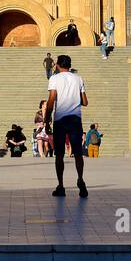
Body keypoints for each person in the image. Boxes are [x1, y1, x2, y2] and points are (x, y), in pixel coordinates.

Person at [45, 53, 88, 197]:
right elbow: (85, 102)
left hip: (60, 120)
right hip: (75, 119)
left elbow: (51, 100)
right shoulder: (78, 78)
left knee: (59, 155)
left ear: (57, 65)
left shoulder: (54, 79)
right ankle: (80, 179)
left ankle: (61, 185)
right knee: (77, 153)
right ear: (69, 65)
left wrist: (46, 120)